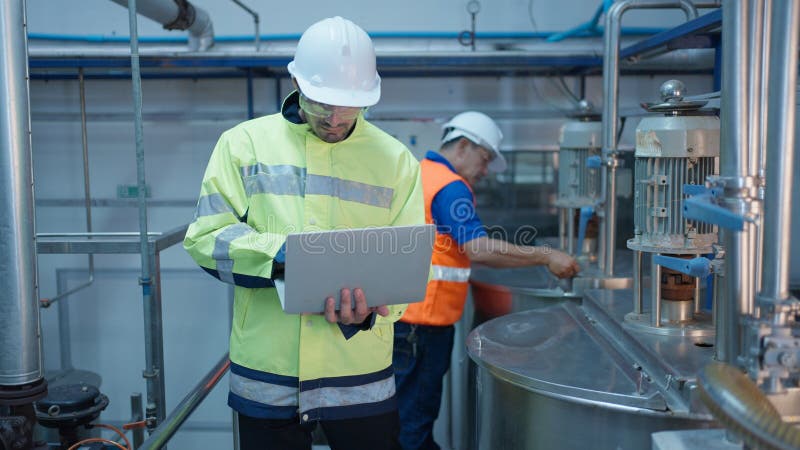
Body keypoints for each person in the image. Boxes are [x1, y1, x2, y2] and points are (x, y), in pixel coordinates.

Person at [183, 17, 424, 450]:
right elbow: (205, 237)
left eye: (346, 106)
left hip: (359, 376)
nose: (333, 120)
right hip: (267, 377)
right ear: (295, 81)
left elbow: (405, 265)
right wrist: (282, 256)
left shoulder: (397, 161)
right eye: (321, 104)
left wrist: (371, 309)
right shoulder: (243, 145)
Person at [392, 111, 580, 450]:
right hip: (424, 326)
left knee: (404, 418)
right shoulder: (451, 189)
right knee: (414, 426)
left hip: (403, 318)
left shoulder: (420, 173)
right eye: (485, 159)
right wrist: (545, 255)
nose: (485, 171)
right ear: (464, 146)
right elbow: (477, 248)